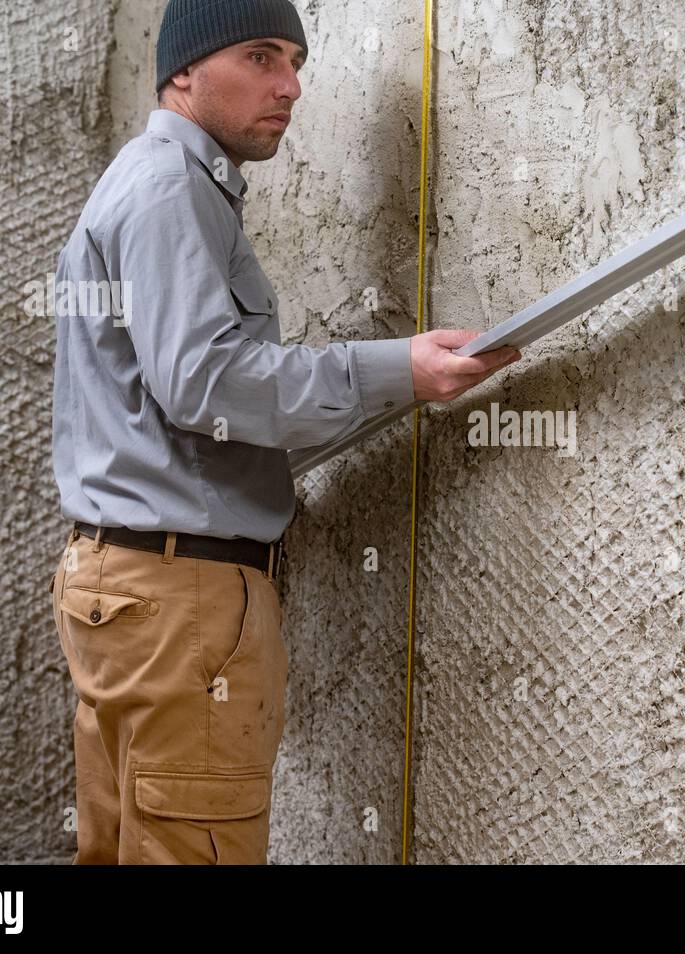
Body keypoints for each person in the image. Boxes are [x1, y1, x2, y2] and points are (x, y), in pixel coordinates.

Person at [48, 0, 520, 864]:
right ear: (184, 71)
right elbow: (208, 381)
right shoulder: (169, 190)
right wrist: (396, 370)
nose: (291, 86)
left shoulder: (148, 180)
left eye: (295, 61)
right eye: (261, 57)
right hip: (180, 599)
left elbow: (176, 406)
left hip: (130, 584)